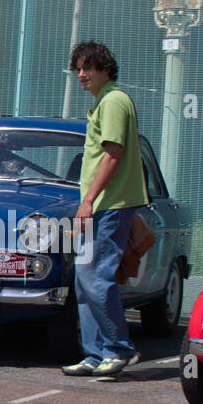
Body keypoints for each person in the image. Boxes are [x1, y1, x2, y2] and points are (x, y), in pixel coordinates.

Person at [62, 41, 148, 378]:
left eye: (88, 68)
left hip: (108, 206)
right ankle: (96, 354)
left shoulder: (113, 101)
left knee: (95, 277)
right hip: (103, 206)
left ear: (105, 70)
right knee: (85, 280)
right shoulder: (104, 102)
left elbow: (113, 153)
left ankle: (119, 349)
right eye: (78, 69)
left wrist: (87, 201)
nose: (81, 75)